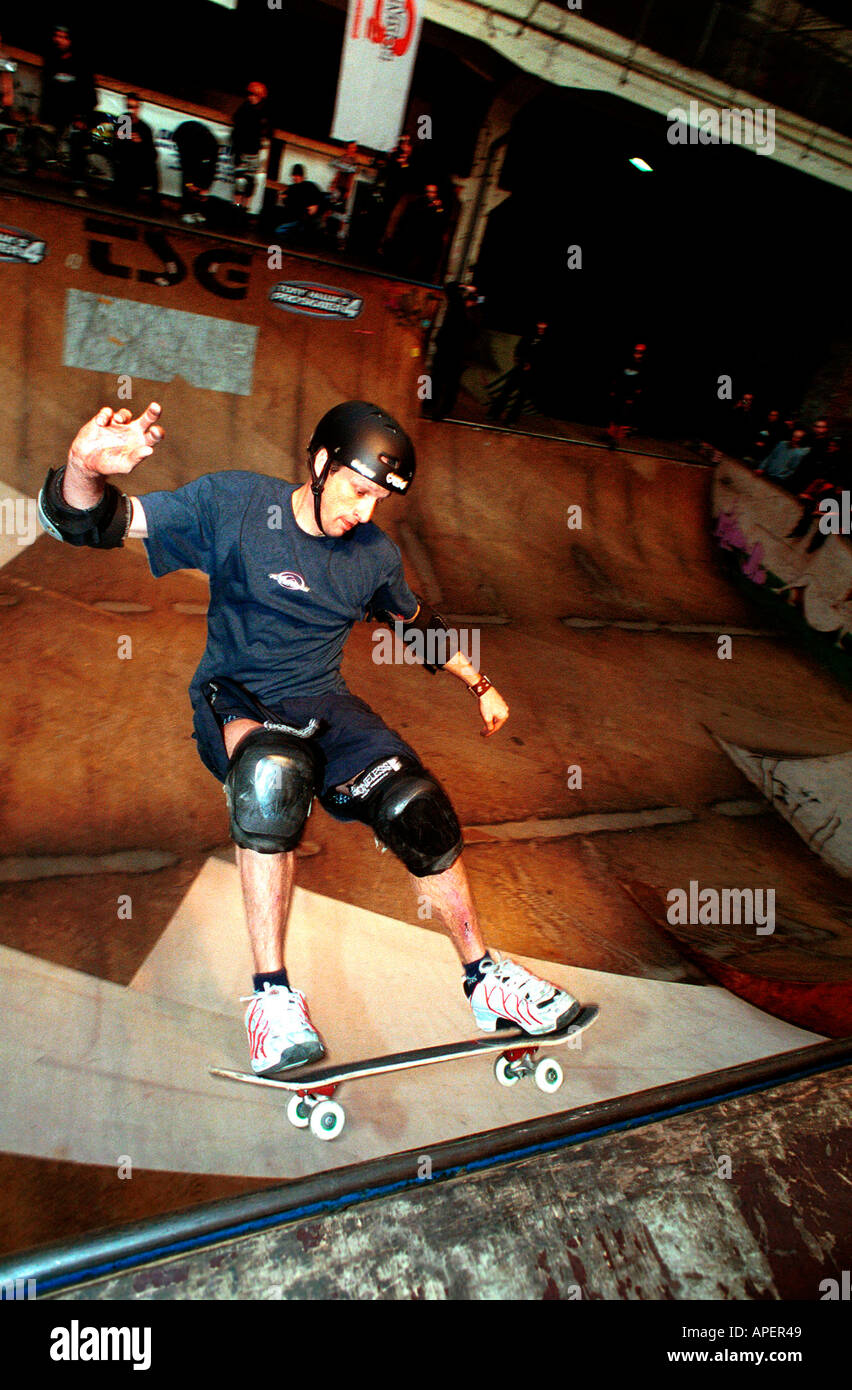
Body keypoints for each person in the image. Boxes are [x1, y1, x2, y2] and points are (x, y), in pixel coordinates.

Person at [39, 402, 582, 1076]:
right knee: (274, 780)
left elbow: (415, 621)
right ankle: (270, 1001)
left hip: (326, 704)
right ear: (321, 464)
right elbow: (97, 524)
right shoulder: (235, 504)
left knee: (418, 806)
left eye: (379, 500)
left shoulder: (372, 554)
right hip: (236, 697)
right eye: (358, 491)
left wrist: (480, 682)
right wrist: (83, 470)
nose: (364, 511)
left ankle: (485, 982)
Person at [38, 23, 95, 194]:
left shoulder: (81, 63)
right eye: (56, 36)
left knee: (77, 144)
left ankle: (79, 183)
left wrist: (82, 116)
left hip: (76, 114)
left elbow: (89, 92)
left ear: (70, 41)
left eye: (62, 37)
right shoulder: (50, 60)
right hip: (55, 112)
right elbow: (47, 89)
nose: (58, 40)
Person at [488, 320, 550, 426]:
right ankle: (494, 413)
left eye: (543, 329)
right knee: (507, 391)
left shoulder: (546, 341)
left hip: (533, 373)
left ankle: (511, 419)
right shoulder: (529, 337)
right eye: (539, 328)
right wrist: (520, 361)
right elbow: (519, 349)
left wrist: (532, 365)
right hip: (520, 368)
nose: (540, 330)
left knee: (521, 397)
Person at [111, 93, 160, 211]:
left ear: (139, 108)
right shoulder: (124, 120)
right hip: (125, 161)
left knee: (151, 168)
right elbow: (120, 146)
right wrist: (127, 139)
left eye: (134, 107)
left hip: (140, 162)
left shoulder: (144, 127)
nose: (132, 110)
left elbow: (152, 153)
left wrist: (140, 143)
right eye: (129, 106)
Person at [230, 81, 269, 218]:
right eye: (250, 95)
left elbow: (267, 130)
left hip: (253, 151)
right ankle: (237, 208)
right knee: (240, 181)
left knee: (249, 182)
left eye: (254, 95)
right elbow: (236, 123)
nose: (251, 97)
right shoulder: (244, 108)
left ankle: (244, 210)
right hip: (242, 150)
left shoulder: (263, 111)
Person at [606, 342, 648, 447]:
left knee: (623, 415)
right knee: (615, 412)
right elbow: (618, 375)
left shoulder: (643, 366)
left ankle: (616, 437)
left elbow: (641, 382)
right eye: (636, 352)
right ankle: (611, 433)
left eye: (641, 352)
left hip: (630, 394)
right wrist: (614, 389)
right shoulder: (626, 362)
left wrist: (634, 395)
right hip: (620, 391)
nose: (638, 354)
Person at [274, 162, 324, 245]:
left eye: (297, 175)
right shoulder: (291, 188)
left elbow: (319, 200)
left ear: (302, 176)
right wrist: (283, 198)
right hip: (295, 218)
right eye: (294, 175)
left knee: (282, 231)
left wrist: (314, 206)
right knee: (280, 230)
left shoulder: (310, 186)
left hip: (306, 218)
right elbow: (287, 204)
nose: (295, 177)